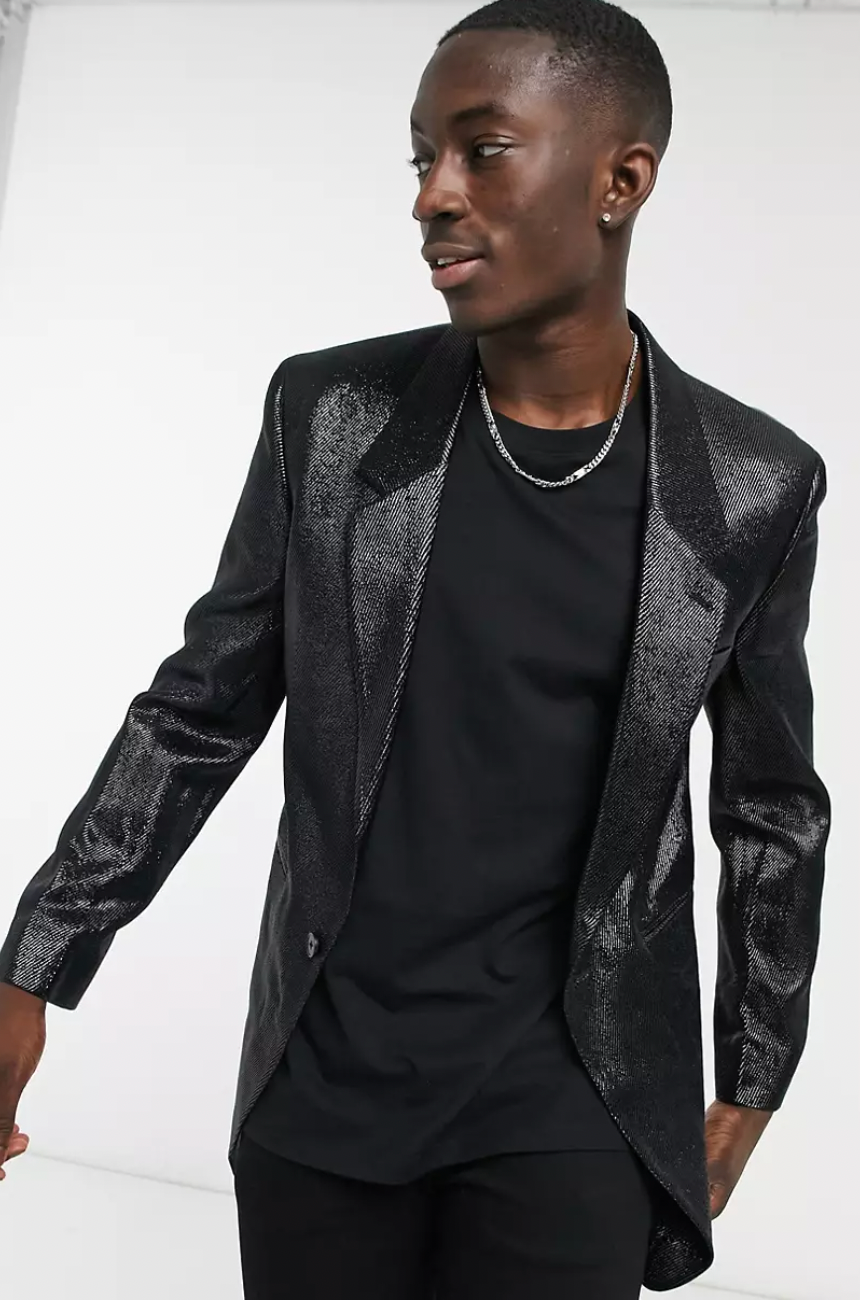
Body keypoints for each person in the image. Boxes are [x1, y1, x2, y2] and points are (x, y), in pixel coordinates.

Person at [0, 0, 830, 1296]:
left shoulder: (750, 484)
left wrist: (756, 1070)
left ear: (621, 182)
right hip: (325, 1081)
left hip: (578, 1099)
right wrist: (36, 963)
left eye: (482, 149)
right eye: (421, 156)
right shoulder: (329, 416)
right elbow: (200, 709)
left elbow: (771, 804)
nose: (433, 196)